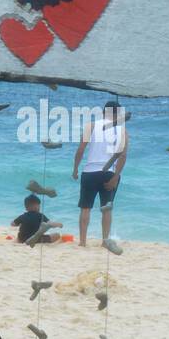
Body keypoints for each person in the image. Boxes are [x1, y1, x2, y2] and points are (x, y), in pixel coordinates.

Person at [73, 101, 129, 247]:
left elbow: (80, 150)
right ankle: (105, 241)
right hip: (109, 173)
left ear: (104, 112)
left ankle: (82, 242)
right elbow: (123, 156)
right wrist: (116, 177)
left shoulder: (90, 126)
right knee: (106, 209)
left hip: (90, 172)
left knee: (85, 208)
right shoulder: (122, 131)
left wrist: (75, 169)